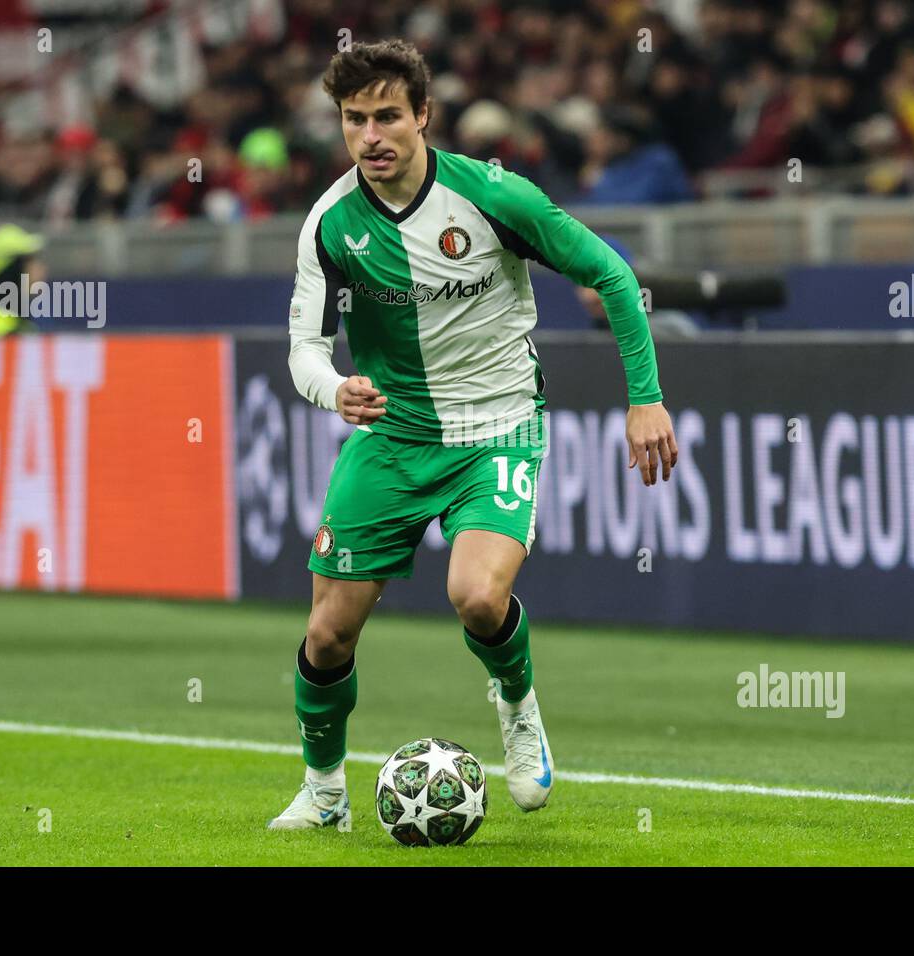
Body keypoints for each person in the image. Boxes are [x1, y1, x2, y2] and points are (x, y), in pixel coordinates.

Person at [272, 39, 678, 830]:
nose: (371, 136)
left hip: (497, 428)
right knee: (326, 634)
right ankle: (324, 795)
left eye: (388, 115)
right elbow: (304, 349)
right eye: (355, 120)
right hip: (392, 437)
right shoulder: (329, 224)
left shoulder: (495, 196)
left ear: (424, 115)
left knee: (478, 596)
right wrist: (334, 391)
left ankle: (519, 709)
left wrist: (646, 398)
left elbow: (613, 274)